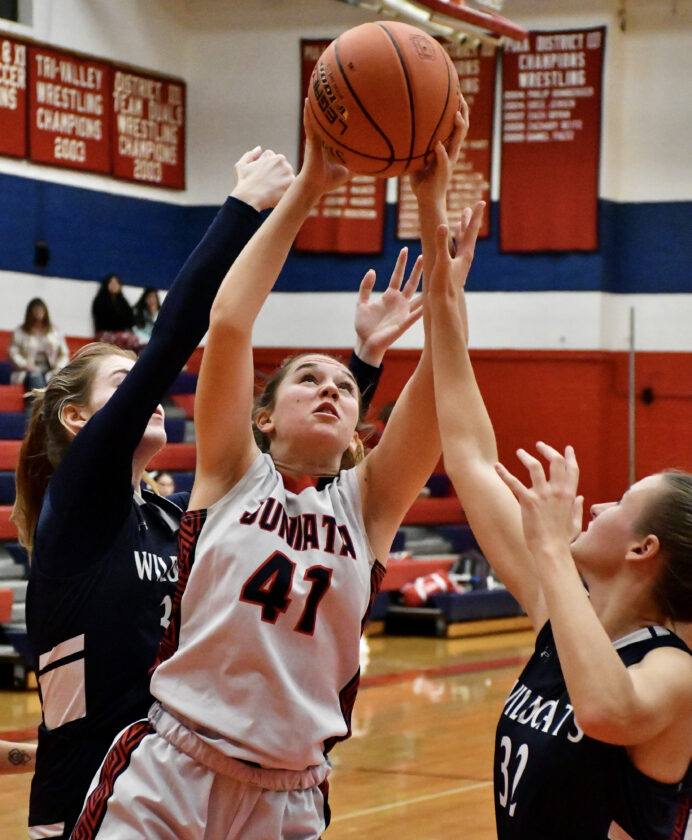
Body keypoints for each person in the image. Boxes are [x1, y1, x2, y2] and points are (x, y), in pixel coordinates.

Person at [71, 100, 469, 840]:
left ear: (356, 426)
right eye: (308, 380)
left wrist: (431, 209)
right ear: (263, 418)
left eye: (345, 386)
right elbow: (229, 320)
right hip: (173, 770)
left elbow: (445, 388)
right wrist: (309, 186)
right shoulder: (232, 473)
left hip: (290, 797)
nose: (330, 390)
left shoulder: (367, 509)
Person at [14, 146, 295, 840]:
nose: (149, 393)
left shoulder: (167, 516)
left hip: (170, 796)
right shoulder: (80, 500)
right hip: (85, 802)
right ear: (77, 418)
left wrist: (365, 363)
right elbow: (173, 340)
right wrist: (243, 207)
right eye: (124, 384)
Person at [426, 203, 692, 839]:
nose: (596, 506)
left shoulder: (675, 671)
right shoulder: (563, 613)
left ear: (642, 548)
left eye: (618, 504)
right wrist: (445, 300)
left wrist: (549, 550)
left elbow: (605, 711)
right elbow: (469, 456)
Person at [8, 298, 69, 392]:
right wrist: (26, 365)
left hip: (51, 369)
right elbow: (13, 353)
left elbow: (64, 353)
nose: (38, 313)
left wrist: (58, 366)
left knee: (57, 379)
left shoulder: (54, 330)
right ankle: (37, 401)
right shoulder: (20, 331)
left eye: (40, 310)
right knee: (36, 377)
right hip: (28, 370)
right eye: (35, 310)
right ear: (29, 313)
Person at [91, 273, 140, 351]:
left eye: (116, 283)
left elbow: (130, 320)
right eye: (111, 283)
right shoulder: (100, 301)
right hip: (105, 333)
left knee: (135, 340)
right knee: (126, 339)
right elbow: (105, 321)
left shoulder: (123, 302)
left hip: (121, 333)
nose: (114, 285)